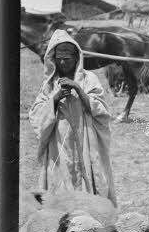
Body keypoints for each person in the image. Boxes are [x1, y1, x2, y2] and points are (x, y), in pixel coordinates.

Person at [28, 30, 117, 206]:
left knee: (88, 179)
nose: (63, 63)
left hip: (86, 140)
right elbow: (36, 115)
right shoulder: (50, 84)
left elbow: (102, 112)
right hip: (59, 143)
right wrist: (55, 99)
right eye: (59, 59)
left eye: (67, 59)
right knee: (61, 181)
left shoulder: (89, 79)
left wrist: (78, 89)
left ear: (76, 58)